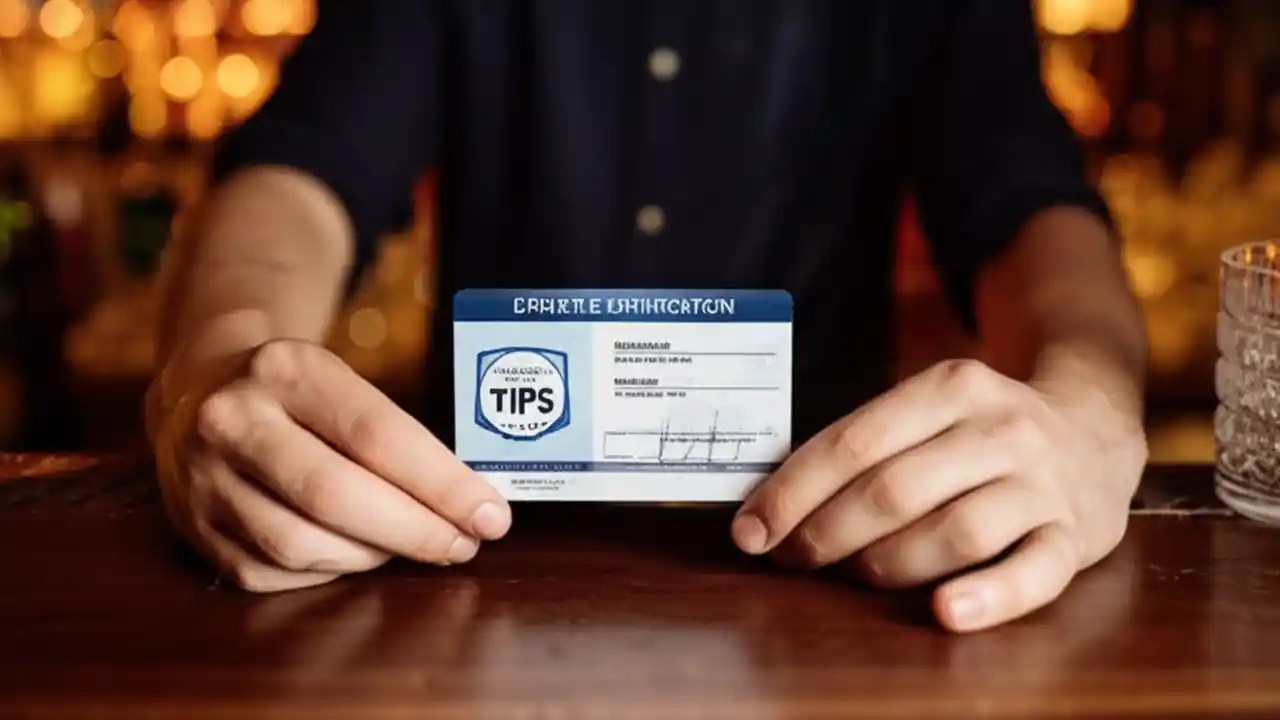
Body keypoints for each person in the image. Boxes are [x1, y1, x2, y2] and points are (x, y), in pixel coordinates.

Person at [146, 1, 1148, 633]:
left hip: (834, 578)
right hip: (468, 567)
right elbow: (304, 166)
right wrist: (216, 355)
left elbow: (1021, 192)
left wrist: (1091, 404)